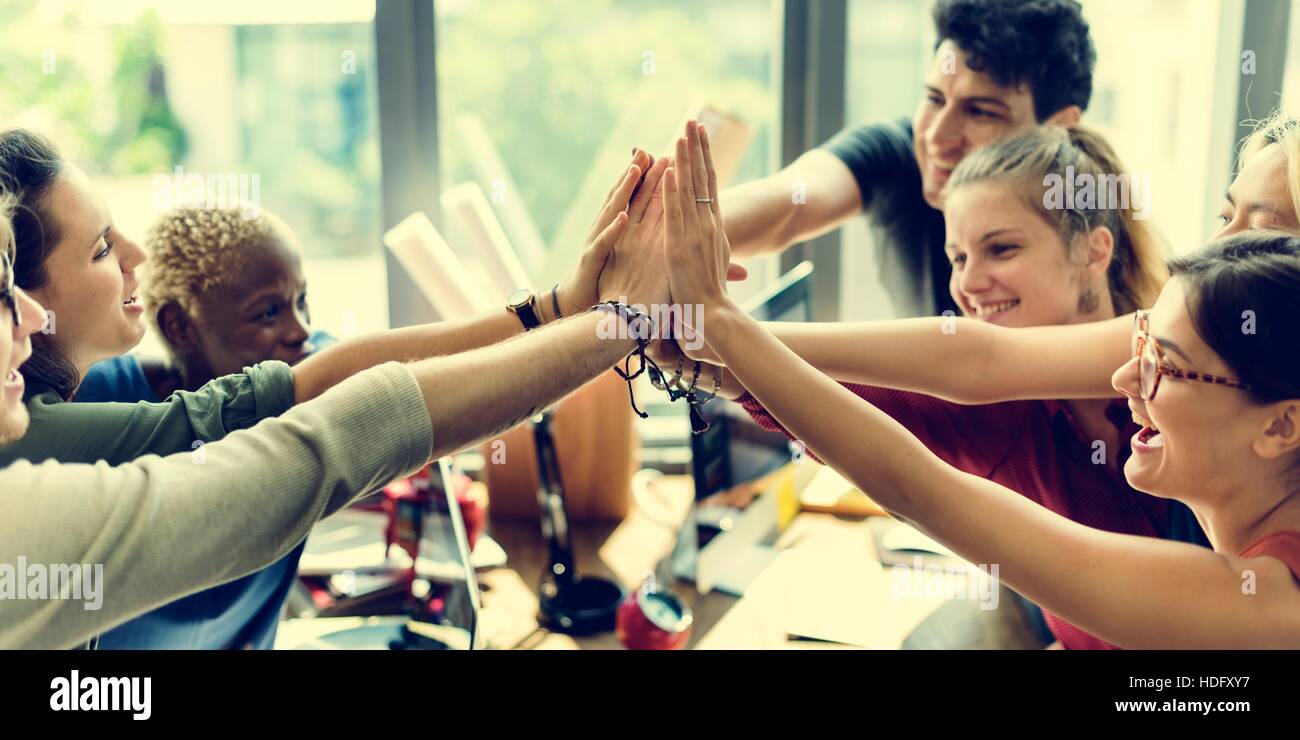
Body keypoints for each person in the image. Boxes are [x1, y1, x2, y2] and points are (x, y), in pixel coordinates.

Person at [663, 117, 1300, 649]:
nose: (1225, 249)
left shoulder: (1263, 605)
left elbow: (938, 467)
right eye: (1225, 215)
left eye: (1268, 233)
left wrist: (718, 326)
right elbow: (970, 366)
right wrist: (708, 342)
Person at [0, 158, 682, 649]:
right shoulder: (34, 460)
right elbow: (339, 426)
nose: (135, 252)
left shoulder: (92, 407)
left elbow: (351, 375)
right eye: (97, 248)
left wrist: (570, 311)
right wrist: (600, 319)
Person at [721, 0, 1095, 317]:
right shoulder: (902, 154)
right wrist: (677, 231)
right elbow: (791, 201)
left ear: (1060, 127)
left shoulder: (1088, 231)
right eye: (934, 99)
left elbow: (979, 363)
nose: (937, 136)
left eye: (980, 112)